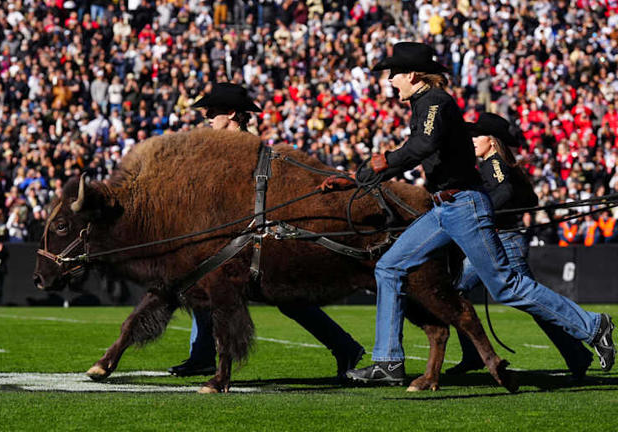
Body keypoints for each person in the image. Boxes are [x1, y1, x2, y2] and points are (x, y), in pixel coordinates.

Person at [321, 42, 614, 385]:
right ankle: (388, 362)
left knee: (506, 286)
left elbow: (422, 145)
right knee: (389, 267)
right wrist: (355, 179)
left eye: (393, 74)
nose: (390, 80)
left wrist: (383, 162)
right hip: (444, 208)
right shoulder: (422, 104)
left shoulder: (435, 101)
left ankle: (594, 325)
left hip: (465, 207)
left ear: (412, 75)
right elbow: (412, 153)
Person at [167, 82, 365, 380]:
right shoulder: (220, 150)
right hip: (237, 239)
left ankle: (344, 346)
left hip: (260, 240)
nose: (206, 116)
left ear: (231, 114)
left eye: (213, 111)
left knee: (287, 300)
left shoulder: (252, 151)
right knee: (208, 284)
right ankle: (203, 356)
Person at [445, 113, 593, 379]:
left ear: (492, 141)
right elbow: (529, 198)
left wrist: (479, 212)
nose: (472, 140)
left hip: (504, 241)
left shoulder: (493, 163)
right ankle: (474, 355)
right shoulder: (505, 165)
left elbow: (504, 192)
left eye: (477, 135)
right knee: (457, 291)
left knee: (532, 302)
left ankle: (580, 349)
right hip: (502, 239)